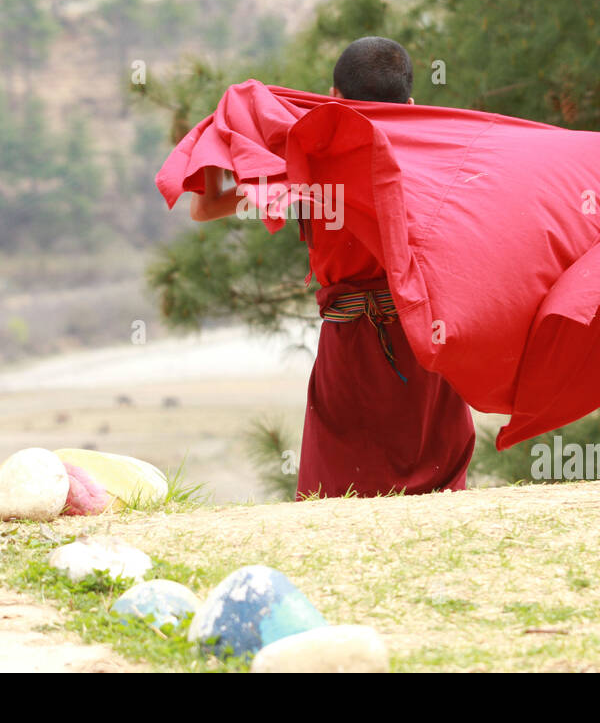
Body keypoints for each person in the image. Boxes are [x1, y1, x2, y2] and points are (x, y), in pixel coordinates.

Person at [190, 37, 478, 499]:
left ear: (335, 97)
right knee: (436, 485)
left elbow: (204, 208)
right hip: (425, 340)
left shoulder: (311, 160)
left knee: (341, 490)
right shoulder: (442, 156)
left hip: (350, 346)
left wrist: (220, 133)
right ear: (411, 104)